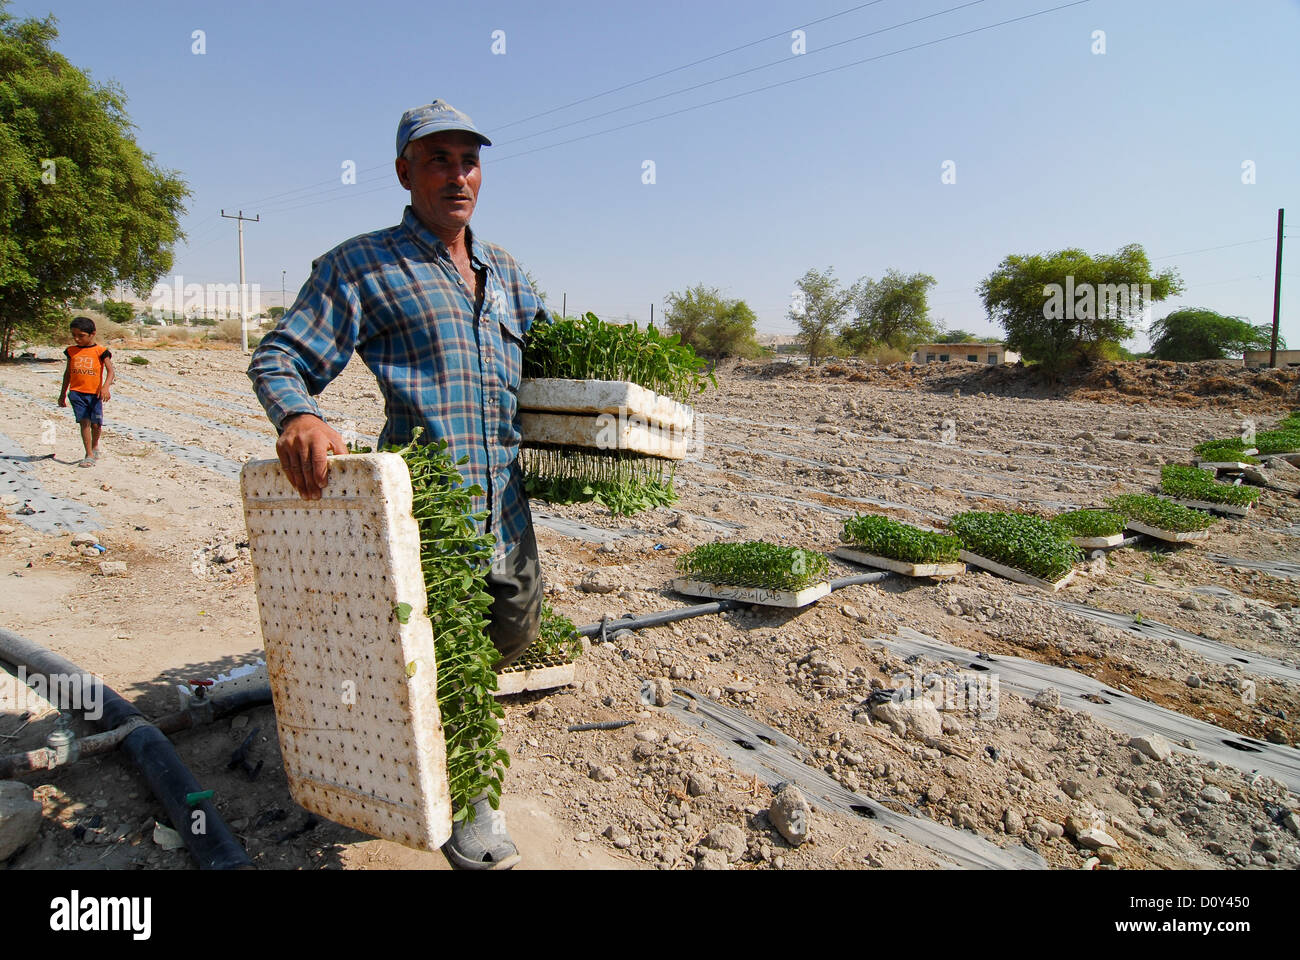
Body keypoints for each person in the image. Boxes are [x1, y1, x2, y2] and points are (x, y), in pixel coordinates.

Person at [247, 99, 546, 871]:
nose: (457, 175)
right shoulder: (362, 265)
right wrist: (300, 417)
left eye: (468, 160)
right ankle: (468, 803)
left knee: (511, 631)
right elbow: (280, 356)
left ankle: (426, 727)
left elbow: (553, 367)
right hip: (429, 510)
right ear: (405, 172)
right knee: (448, 653)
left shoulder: (506, 271)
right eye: (439, 159)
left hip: (505, 504)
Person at [58, 316, 115, 467]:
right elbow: (67, 374)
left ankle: (95, 445)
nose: (77, 339)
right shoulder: (71, 351)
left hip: (95, 395)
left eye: (81, 336)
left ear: (92, 334)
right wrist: (62, 394)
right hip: (76, 393)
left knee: (96, 425)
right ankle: (88, 454)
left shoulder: (101, 351)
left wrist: (105, 387)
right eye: (74, 336)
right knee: (84, 423)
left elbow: (111, 371)